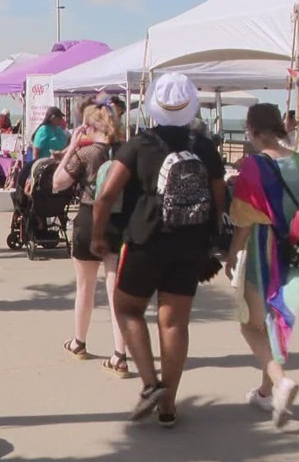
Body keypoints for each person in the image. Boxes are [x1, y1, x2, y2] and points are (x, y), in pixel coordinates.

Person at [92, 73, 227, 427]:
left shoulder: (141, 144)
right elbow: (219, 199)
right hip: (191, 243)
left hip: (146, 239)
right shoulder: (205, 146)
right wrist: (211, 240)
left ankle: (150, 383)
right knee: (175, 322)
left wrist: (98, 235)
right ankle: (168, 406)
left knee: (127, 307)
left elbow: (106, 195)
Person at [224, 103, 299, 428]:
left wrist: (232, 253)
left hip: (263, 248)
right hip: (296, 247)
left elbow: (244, 219)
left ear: (252, 130)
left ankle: (279, 380)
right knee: (277, 322)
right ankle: (265, 391)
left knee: (251, 324)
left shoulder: (253, 165)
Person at [53, 104, 129, 377]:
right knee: (115, 291)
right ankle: (120, 354)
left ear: (89, 126)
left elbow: (57, 182)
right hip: (118, 222)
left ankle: (79, 342)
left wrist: (71, 146)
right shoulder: (126, 153)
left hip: (88, 219)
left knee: (85, 287)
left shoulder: (86, 153)